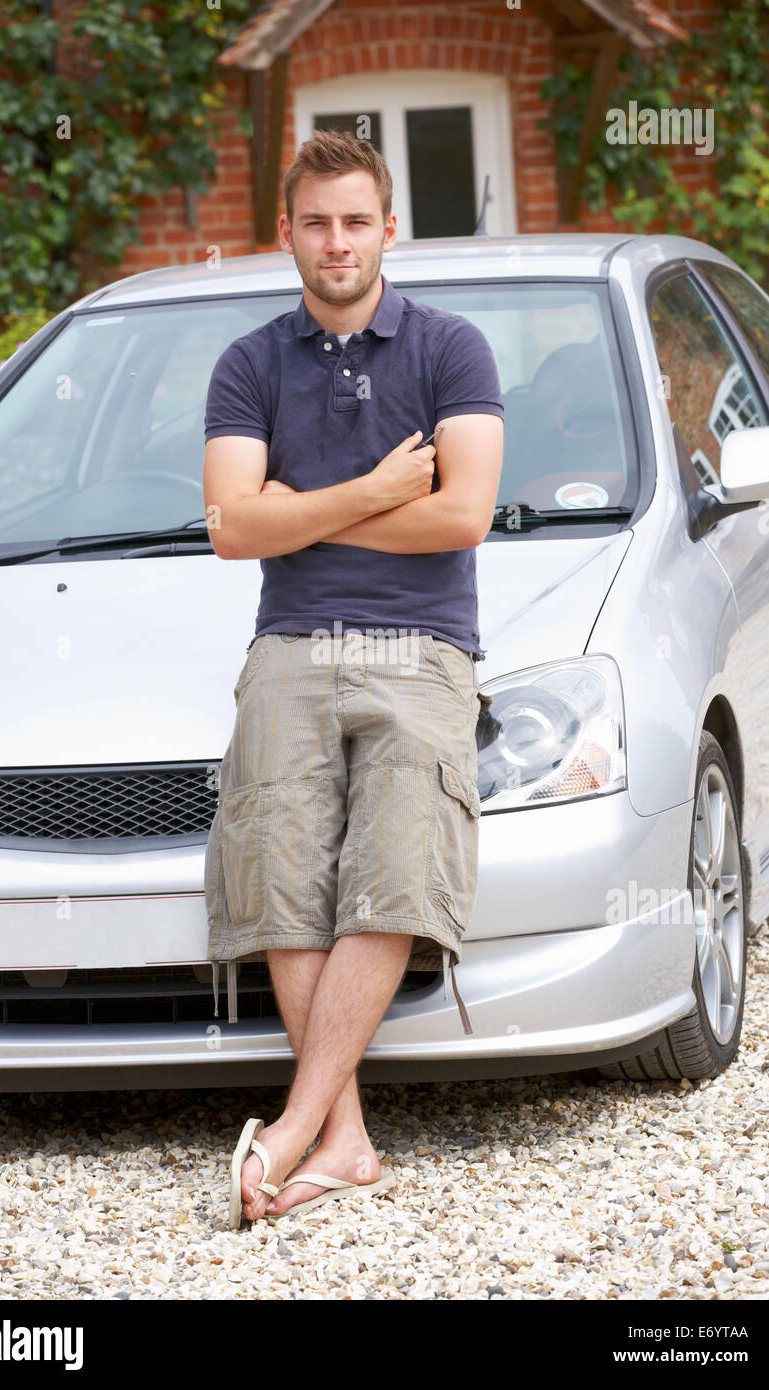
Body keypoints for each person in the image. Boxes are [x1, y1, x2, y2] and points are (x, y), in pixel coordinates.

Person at [202, 129, 504, 1225]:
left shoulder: (452, 349)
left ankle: (291, 1129)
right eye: (315, 222)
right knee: (281, 874)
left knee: (393, 864)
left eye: (354, 220)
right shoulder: (248, 364)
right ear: (286, 232)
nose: (336, 242)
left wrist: (305, 514)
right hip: (288, 645)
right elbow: (232, 531)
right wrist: (379, 490)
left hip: (421, 650)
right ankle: (344, 1140)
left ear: (390, 228)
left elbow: (462, 515)